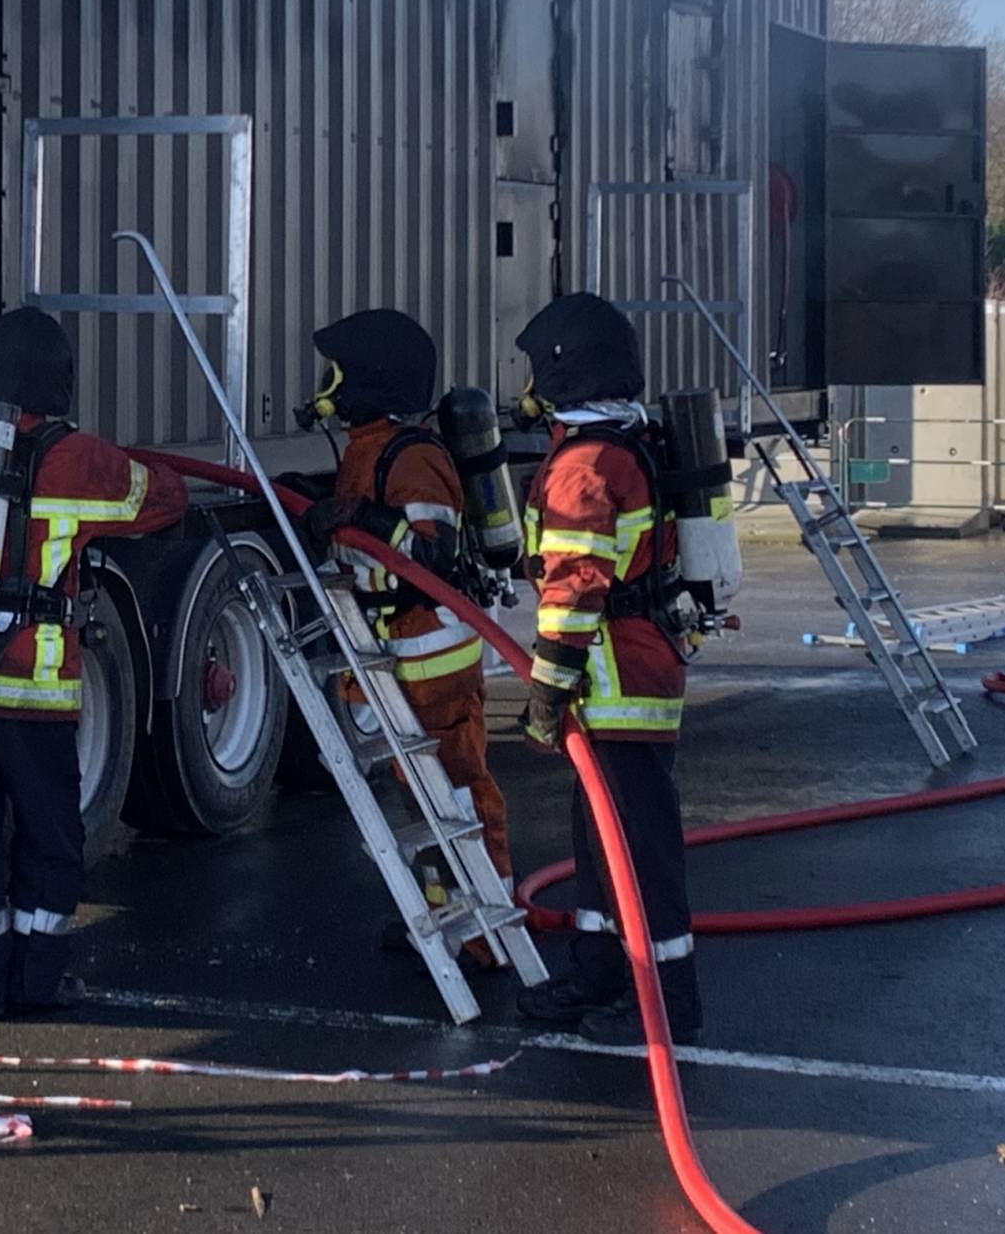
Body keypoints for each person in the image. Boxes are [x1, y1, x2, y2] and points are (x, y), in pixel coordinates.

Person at [0, 308, 188, 1020]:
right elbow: (162, 501)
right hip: (32, 688)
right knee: (51, 836)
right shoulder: (80, 459)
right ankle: (37, 981)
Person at [510, 292, 702, 1044]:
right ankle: (599, 972)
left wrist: (544, 694)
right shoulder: (626, 442)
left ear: (565, 371)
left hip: (618, 684)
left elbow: (574, 591)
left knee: (640, 852)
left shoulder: (585, 468)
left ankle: (668, 1003)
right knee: (599, 841)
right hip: (624, 679)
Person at [298, 310, 512, 946]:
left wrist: (359, 515)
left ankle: (488, 933)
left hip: (432, 666)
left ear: (370, 380)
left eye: (337, 373)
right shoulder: (371, 448)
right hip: (401, 662)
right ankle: (446, 918)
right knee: (424, 802)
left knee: (460, 797)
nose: (327, 383)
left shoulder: (412, 456)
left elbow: (429, 557)